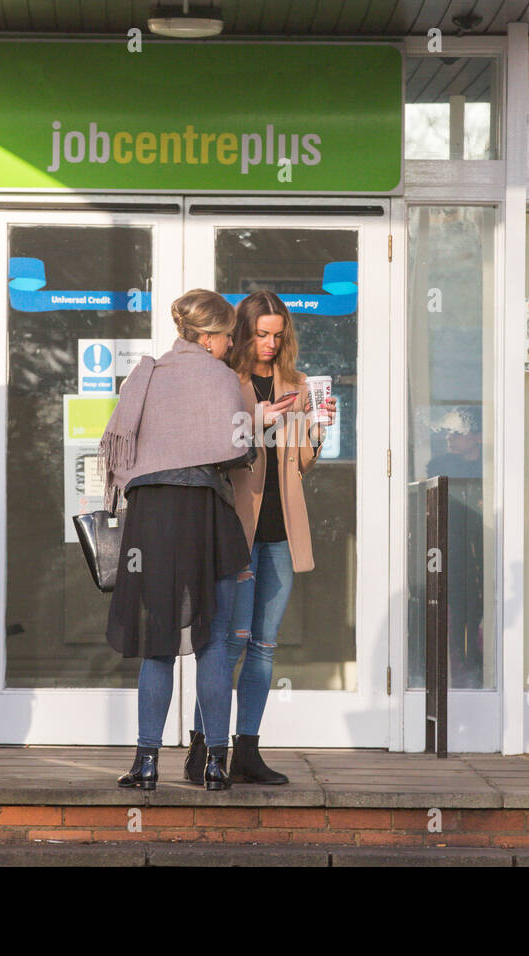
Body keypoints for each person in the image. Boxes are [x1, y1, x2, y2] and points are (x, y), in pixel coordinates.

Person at [182, 291, 336, 785]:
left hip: (280, 530)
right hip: (236, 527)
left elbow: (300, 464)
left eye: (278, 334)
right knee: (229, 643)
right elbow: (210, 446)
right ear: (243, 333)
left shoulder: (296, 383)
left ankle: (247, 750)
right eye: (261, 334)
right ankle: (205, 748)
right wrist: (256, 420)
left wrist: (316, 431)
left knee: (264, 646)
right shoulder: (226, 381)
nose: (271, 343)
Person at [101, 290, 251, 791]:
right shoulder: (221, 378)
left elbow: (121, 451)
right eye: (228, 336)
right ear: (208, 337)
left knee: (156, 643)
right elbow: (236, 449)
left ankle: (146, 763)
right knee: (213, 640)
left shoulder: (147, 375)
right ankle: (214, 763)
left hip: (151, 516)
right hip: (204, 511)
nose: (231, 345)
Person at [426, 406, 485, 689]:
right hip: (449, 549)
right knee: (454, 616)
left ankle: (479, 673)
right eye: (447, 430)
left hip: (484, 548)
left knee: (480, 616)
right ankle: (459, 678)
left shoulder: (490, 468)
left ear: (478, 436)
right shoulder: (437, 466)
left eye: (458, 431)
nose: (450, 436)